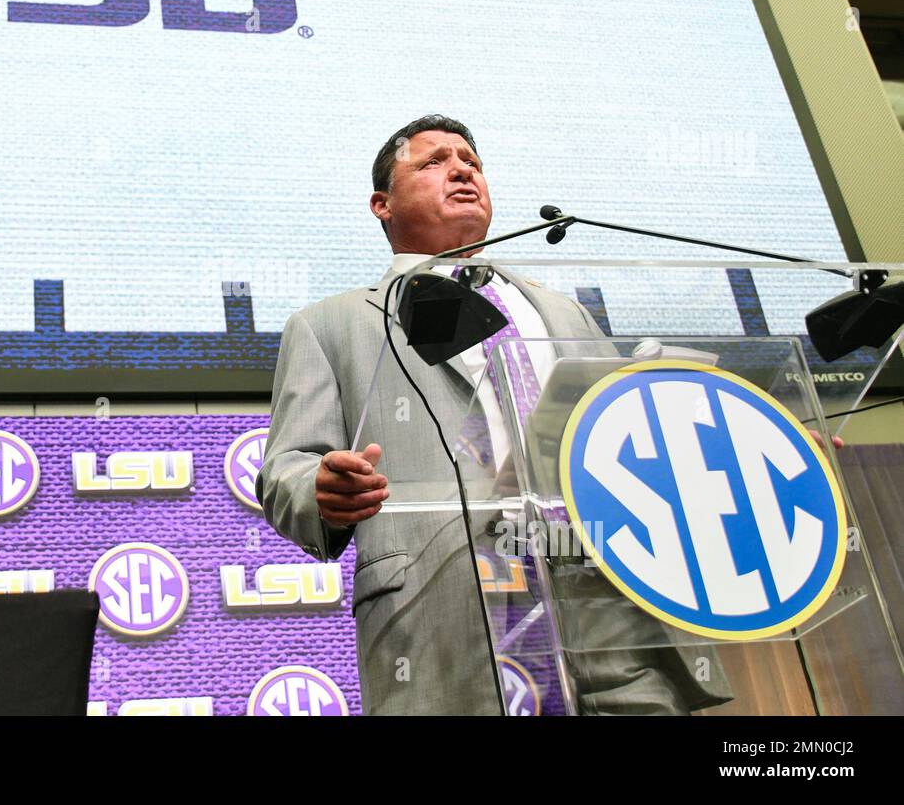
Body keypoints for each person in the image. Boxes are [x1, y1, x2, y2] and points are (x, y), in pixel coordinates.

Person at [255, 114, 733, 715]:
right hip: (445, 610)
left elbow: (631, 433)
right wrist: (320, 489)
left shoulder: (563, 311)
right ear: (382, 202)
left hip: (607, 593)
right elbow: (288, 468)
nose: (460, 169)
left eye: (471, 162)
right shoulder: (330, 325)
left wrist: (732, 450)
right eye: (431, 162)